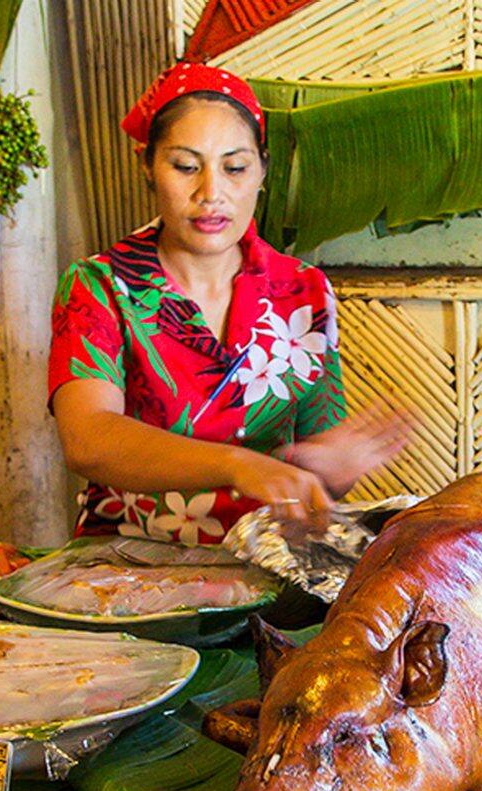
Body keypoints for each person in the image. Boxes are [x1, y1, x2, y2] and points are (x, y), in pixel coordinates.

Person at [48, 63, 406, 544]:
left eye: (234, 168)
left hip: (266, 571)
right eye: (185, 166)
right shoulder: (101, 286)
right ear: (147, 166)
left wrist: (328, 468)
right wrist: (237, 465)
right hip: (127, 572)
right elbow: (87, 439)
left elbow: (315, 478)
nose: (211, 193)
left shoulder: (303, 291)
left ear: (261, 170)